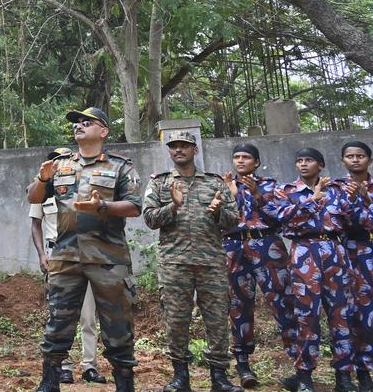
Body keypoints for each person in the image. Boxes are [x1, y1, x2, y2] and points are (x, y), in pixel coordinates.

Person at [27, 107, 142, 392]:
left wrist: (103, 205)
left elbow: (135, 207)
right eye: (77, 123)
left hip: (107, 258)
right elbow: (34, 198)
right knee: (58, 320)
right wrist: (42, 179)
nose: (79, 125)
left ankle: (124, 383)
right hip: (66, 257)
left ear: (103, 131)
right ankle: (50, 380)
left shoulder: (120, 167)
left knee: (116, 322)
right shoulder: (61, 165)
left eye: (87, 122)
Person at [253, 148, 365, 392]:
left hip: (335, 250)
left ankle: (343, 377)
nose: (303, 165)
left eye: (309, 160)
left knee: (341, 315)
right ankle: (304, 376)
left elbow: (351, 219)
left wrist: (358, 197)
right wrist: (311, 201)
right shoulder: (287, 191)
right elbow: (281, 217)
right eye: (299, 161)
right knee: (306, 316)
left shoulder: (336, 190)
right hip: (305, 250)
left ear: (321, 165)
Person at [142, 131, 243, 392]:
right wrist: (172, 207)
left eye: (184, 146)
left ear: (194, 150)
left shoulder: (215, 183)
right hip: (175, 263)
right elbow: (150, 219)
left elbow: (234, 220)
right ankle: (180, 377)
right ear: (169, 152)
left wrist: (219, 211)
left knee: (217, 320)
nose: (178, 151)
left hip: (211, 262)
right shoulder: (160, 184)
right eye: (174, 147)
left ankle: (219, 377)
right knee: (176, 320)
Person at [30, 147, 108, 385]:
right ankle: (62, 365)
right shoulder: (42, 189)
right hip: (57, 256)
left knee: (87, 316)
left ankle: (89, 365)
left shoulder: (82, 186)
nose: (59, 164)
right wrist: (42, 255)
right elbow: (35, 224)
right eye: (54, 160)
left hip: (85, 255)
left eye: (62, 159)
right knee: (60, 316)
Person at [222, 143, 297, 388]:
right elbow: (214, 217)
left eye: (246, 157)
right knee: (237, 304)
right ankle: (243, 365)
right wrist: (231, 195)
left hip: (266, 245)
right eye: (237, 157)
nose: (241, 161)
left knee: (283, 301)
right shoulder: (224, 184)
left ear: (256, 162)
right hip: (234, 247)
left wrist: (257, 195)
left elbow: (282, 217)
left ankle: (300, 364)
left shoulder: (271, 186)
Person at [336, 141, 373, 390]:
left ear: (369, 159)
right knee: (347, 311)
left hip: (369, 251)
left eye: (360, 156)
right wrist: (347, 201)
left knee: (369, 312)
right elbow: (330, 218)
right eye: (350, 156)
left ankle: (367, 366)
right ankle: (352, 369)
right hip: (344, 252)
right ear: (343, 161)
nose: (355, 160)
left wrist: (366, 199)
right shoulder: (335, 187)